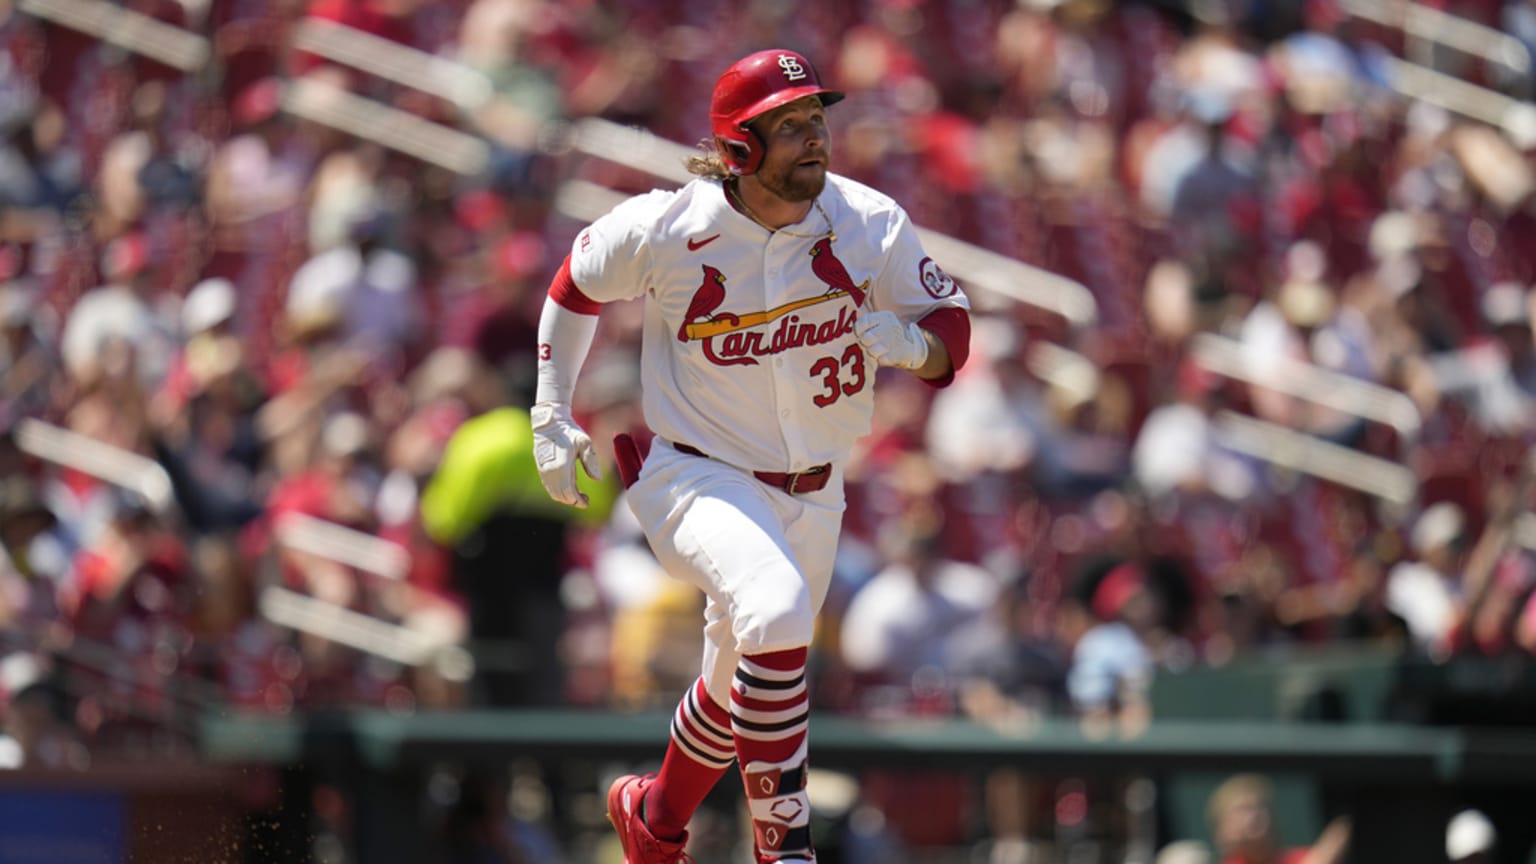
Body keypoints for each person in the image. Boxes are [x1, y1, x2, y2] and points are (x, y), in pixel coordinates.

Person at [530, 48, 971, 864]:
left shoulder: (868, 219)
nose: (815, 138)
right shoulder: (670, 226)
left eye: (818, 119)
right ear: (737, 148)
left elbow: (952, 327)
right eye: (790, 124)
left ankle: (655, 818)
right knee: (775, 613)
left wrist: (912, 345)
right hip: (693, 470)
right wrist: (550, 412)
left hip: (816, 488)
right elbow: (575, 283)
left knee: (743, 683)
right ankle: (785, 849)